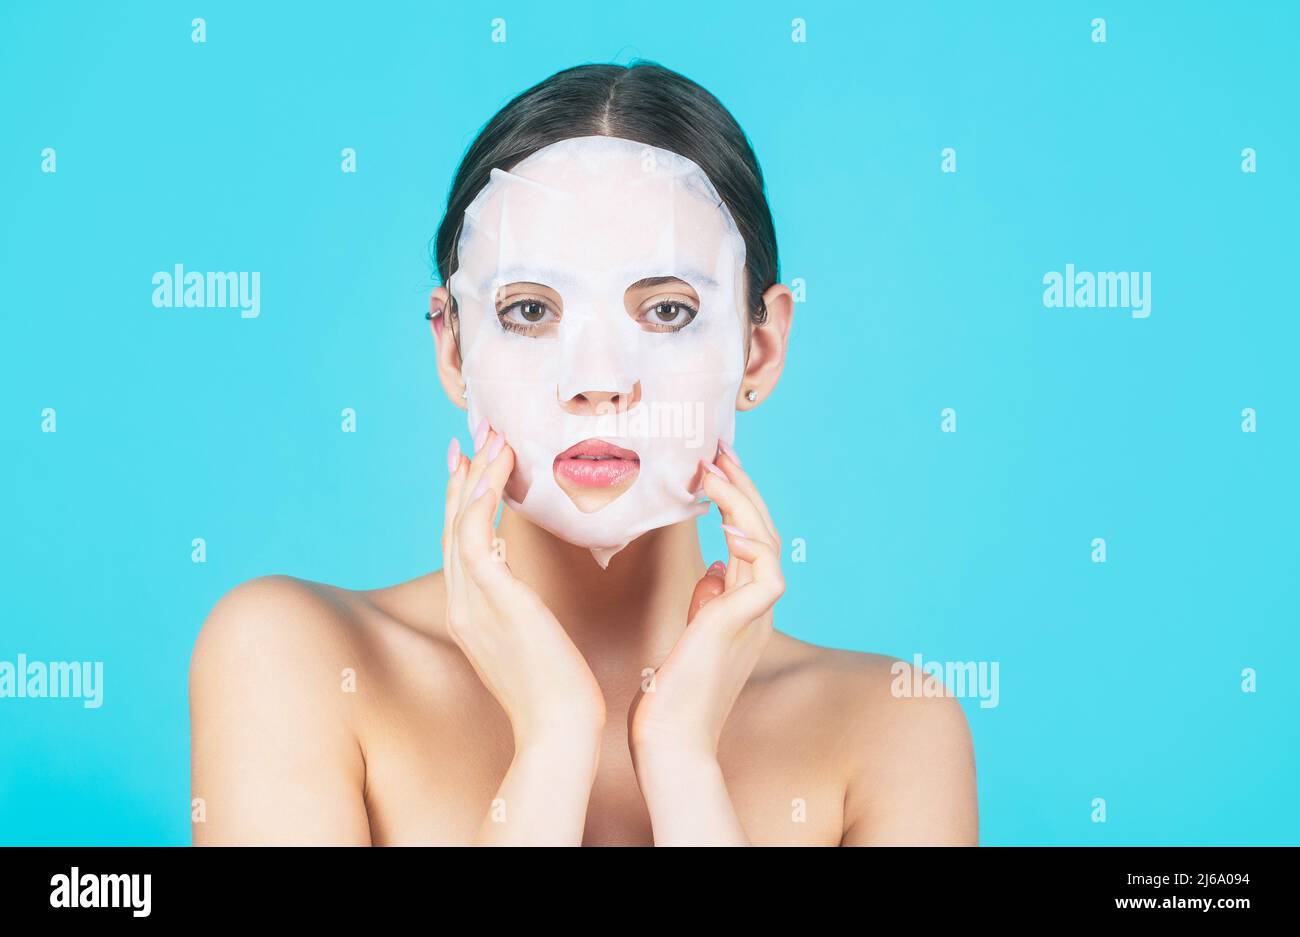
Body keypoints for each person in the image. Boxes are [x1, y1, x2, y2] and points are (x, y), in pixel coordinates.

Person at [189, 60, 978, 846]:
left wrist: (682, 762)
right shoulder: (291, 659)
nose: (598, 382)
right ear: (454, 351)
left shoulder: (892, 729)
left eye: (668, 309)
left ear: (761, 349)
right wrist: (553, 739)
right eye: (529, 310)